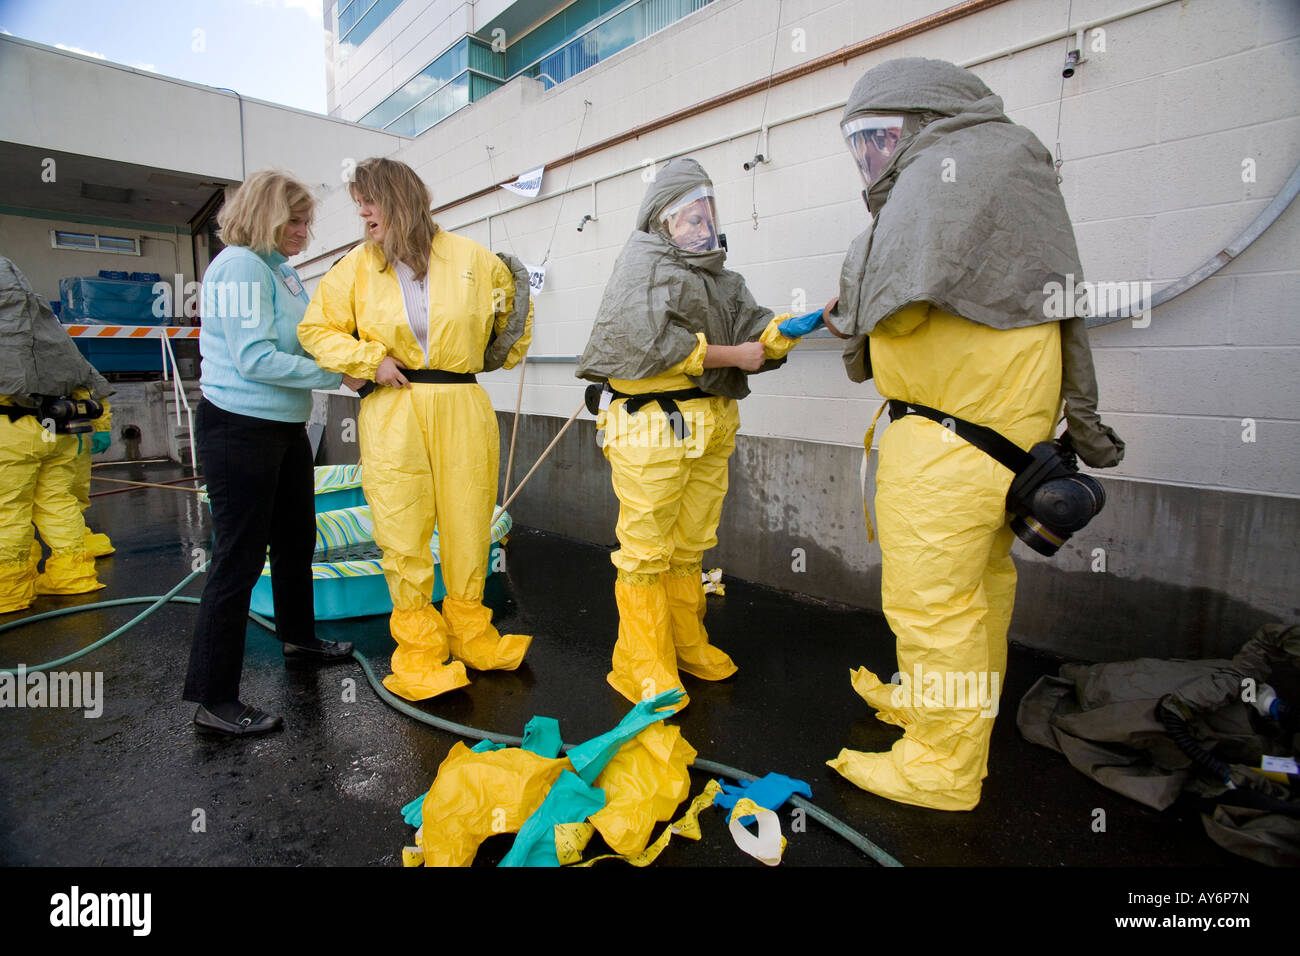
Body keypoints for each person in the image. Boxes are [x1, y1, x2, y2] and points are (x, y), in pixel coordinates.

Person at [823, 58, 1125, 810]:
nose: (870, 159)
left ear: (921, 121)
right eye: (859, 144)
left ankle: (940, 767)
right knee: (978, 597)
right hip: (1003, 441)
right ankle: (945, 714)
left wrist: (852, 312)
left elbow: (897, 311)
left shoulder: (941, 173)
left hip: (948, 446)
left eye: (877, 138)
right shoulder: (1009, 166)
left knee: (933, 609)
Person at [577, 157, 820, 711]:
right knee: (645, 550)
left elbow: (754, 328)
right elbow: (644, 342)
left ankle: (685, 644)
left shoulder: (722, 279)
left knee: (689, 546)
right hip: (652, 430)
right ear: (662, 222)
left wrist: (790, 329)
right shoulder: (640, 268)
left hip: (709, 425)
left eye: (707, 215)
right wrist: (734, 354)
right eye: (689, 218)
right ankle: (642, 665)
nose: (702, 227)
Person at [299, 157, 534, 702]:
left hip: (461, 401)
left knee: (469, 521)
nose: (362, 211)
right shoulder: (357, 266)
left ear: (399, 198)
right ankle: (421, 650)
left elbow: (512, 326)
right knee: (402, 529)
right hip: (393, 406)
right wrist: (366, 358)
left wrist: (505, 330)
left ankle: (471, 633)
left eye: (370, 199)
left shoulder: (474, 258)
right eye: (358, 201)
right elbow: (315, 329)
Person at [183, 169, 359, 737]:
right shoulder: (237, 266)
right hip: (239, 427)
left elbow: (306, 334)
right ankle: (215, 699)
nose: (305, 233)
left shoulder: (279, 271)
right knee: (237, 557)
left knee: (294, 537)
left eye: (308, 222)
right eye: (296, 221)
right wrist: (340, 370)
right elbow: (256, 358)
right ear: (265, 214)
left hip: (281, 426)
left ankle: (298, 638)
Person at [0, 256, 113, 613]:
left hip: (10, 433)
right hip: (58, 431)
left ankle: (10, 590)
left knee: (9, 512)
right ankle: (73, 576)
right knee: (58, 503)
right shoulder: (49, 330)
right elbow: (93, 383)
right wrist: (101, 427)